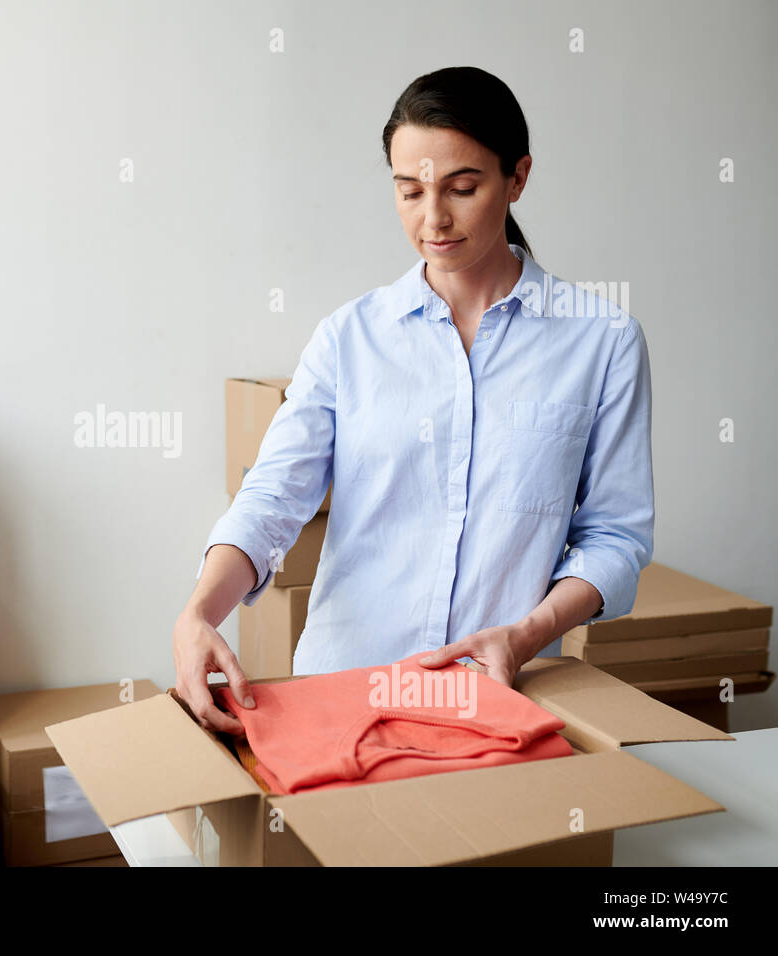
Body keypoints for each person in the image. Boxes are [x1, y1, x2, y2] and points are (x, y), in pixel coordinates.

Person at [173, 66, 653, 735]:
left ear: (517, 178)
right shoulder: (349, 338)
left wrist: (523, 634)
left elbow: (616, 537)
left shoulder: (602, 342)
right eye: (409, 191)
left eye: (463, 188)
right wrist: (199, 613)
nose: (434, 219)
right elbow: (274, 498)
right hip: (341, 693)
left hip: (497, 699)